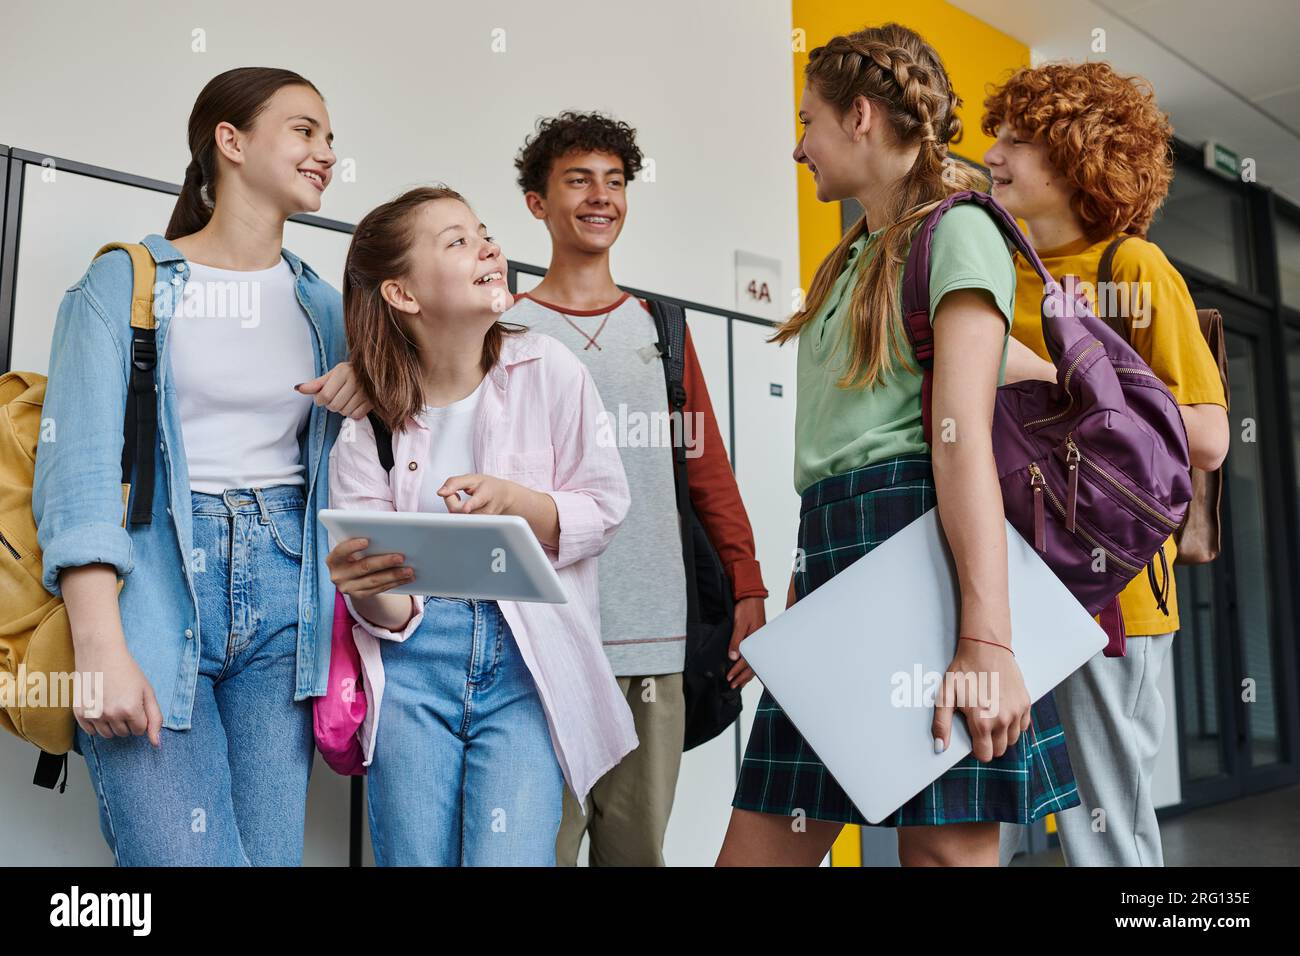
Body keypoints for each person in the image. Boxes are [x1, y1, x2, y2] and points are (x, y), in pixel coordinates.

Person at [716, 23, 1082, 867]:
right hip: (842, 553)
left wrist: (986, 644)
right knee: (763, 843)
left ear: (861, 117)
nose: (797, 144)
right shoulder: (850, 256)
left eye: (807, 121)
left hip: (926, 548)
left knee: (944, 855)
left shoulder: (958, 231)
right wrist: (809, 587)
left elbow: (959, 446)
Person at [32, 67, 367, 865]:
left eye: (330, 138)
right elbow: (74, 473)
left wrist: (377, 378)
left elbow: (416, 430)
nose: (325, 152)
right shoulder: (128, 282)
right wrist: (100, 648)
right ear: (231, 141)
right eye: (305, 130)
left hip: (289, 597)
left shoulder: (326, 307)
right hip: (150, 590)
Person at [325, 186, 637, 866]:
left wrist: (518, 502)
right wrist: (363, 586)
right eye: (457, 241)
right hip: (412, 670)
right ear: (403, 294)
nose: (488, 247)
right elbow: (390, 611)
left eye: (484, 233)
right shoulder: (366, 426)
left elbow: (606, 504)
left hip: (528, 666)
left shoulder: (550, 370)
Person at [507, 111, 769, 866]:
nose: (601, 197)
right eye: (578, 180)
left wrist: (747, 586)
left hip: (655, 644)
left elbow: (707, 471)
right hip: (547, 643)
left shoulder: (663, 327)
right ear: (537, 202)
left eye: (615, 182)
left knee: (635, 855)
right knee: (535, 850)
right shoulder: (507, 330)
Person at [985, 61, 1230, 866]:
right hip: (1005, 576)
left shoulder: (1131, 266)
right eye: (998, 136)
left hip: (1109, 587)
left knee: (1106, 831)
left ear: (1076, 159)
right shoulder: (987, 267)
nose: (994, 154)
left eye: (1018, 142)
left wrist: (1060, 381)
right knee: (1000, 814)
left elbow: (1206, 437)